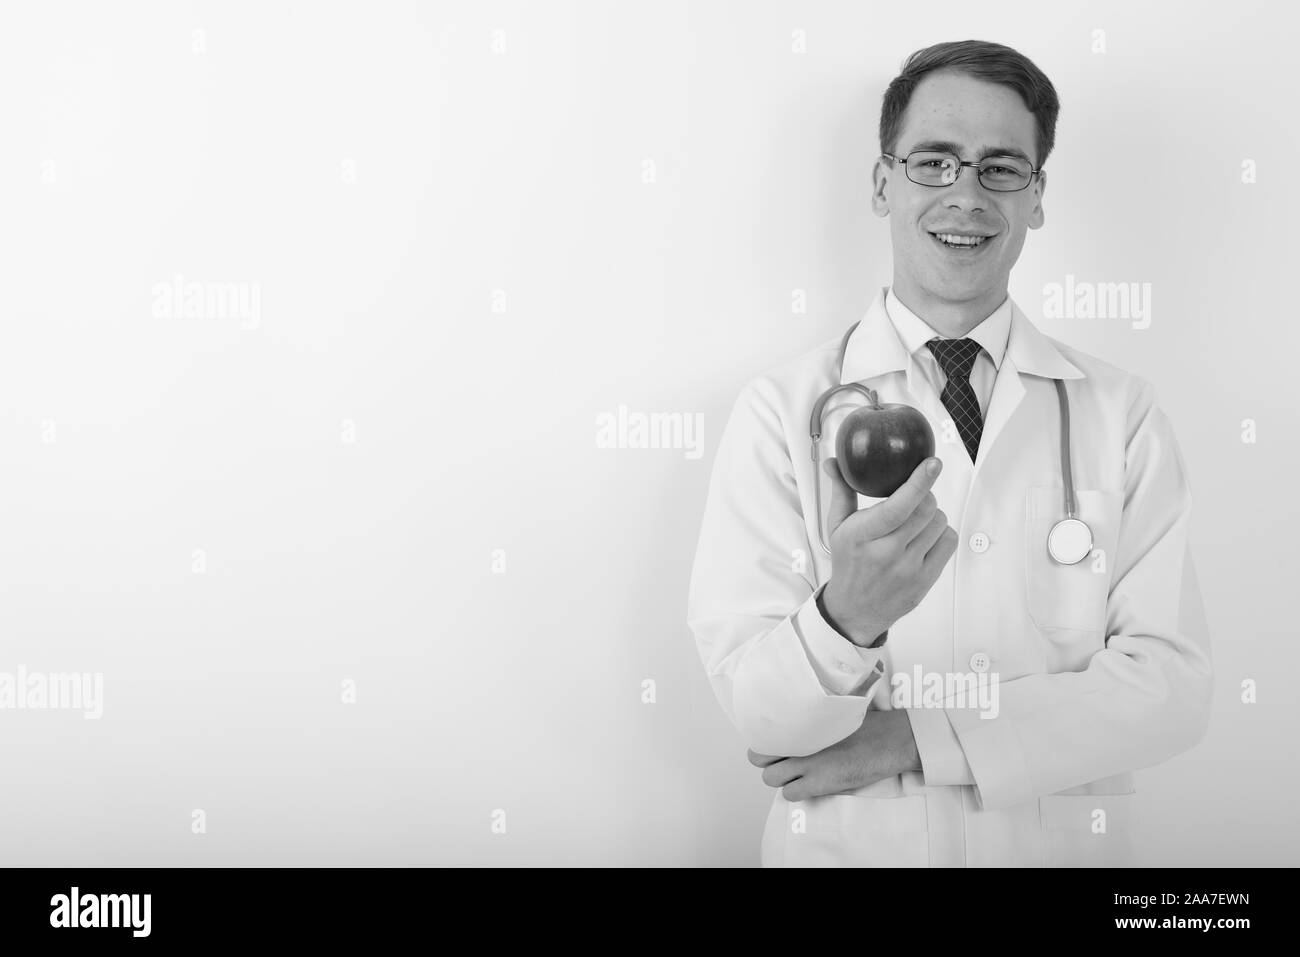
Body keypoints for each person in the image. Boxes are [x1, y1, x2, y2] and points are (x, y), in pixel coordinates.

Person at [686, 39, 1212, 867]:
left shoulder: (1119, 411)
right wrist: (846, 617)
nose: (966, 194)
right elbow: (763, 719)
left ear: (1037, 197)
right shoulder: (782, 411)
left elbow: (1171, 692)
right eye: (934, 161)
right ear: (880, 182)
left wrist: (913, 738)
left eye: (1002, 167)